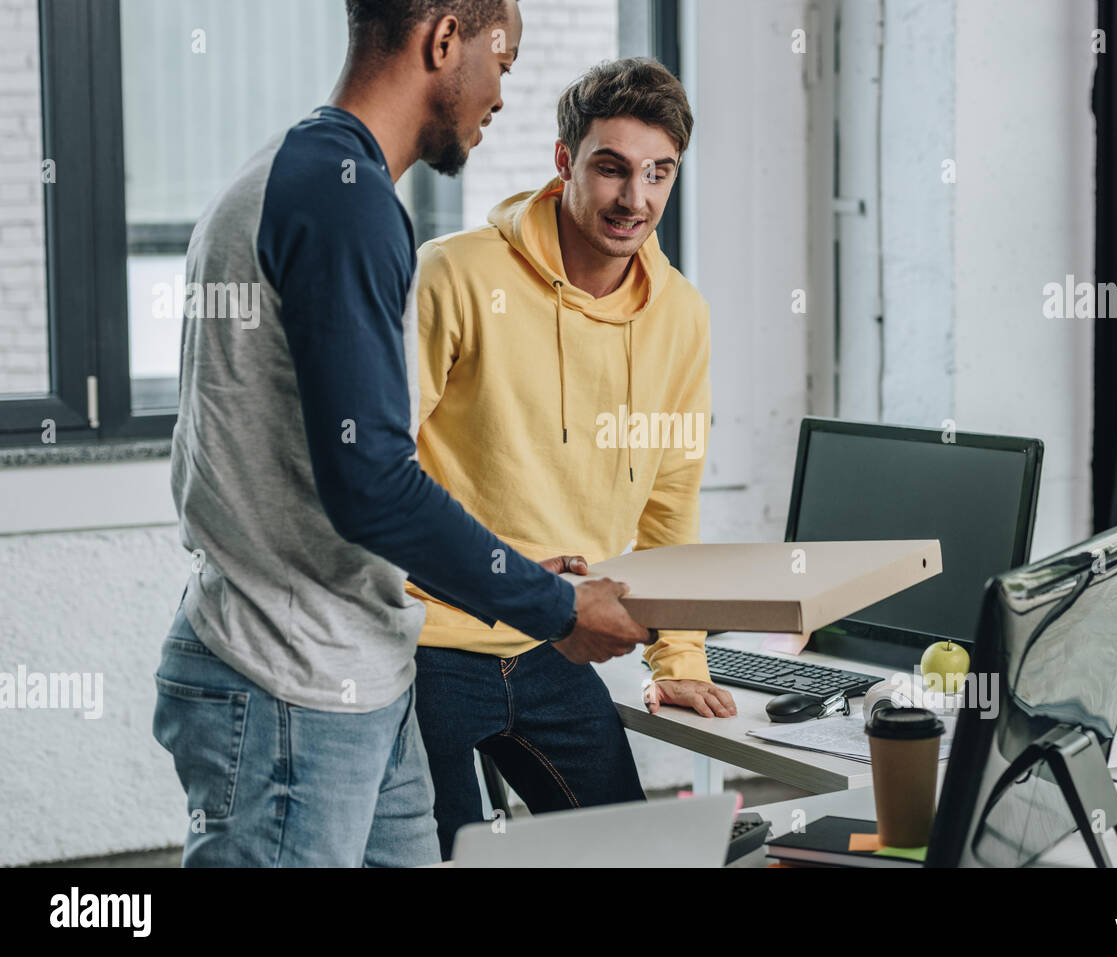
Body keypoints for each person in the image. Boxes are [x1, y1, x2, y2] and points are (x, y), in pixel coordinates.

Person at [152, 0, 649, 868]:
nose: (502, 92)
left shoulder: (303, 174)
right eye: (503, 59)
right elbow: (371, 483)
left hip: (357, 668)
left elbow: (336, 475)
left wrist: (521, 575)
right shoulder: (343, 203)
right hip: (289, 683)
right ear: (445, 39)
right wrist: (556, 608)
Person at [406, 57, 737, 860]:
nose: (637, 198)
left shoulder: (681, 315)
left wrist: (678, 653)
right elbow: (381, 470)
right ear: (564, 162)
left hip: (550, 641)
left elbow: (668, 497)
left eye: (660, 173)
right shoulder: (455, 274)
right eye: (613, 167)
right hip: (429, 641)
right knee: (442, 857)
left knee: (625, 851)